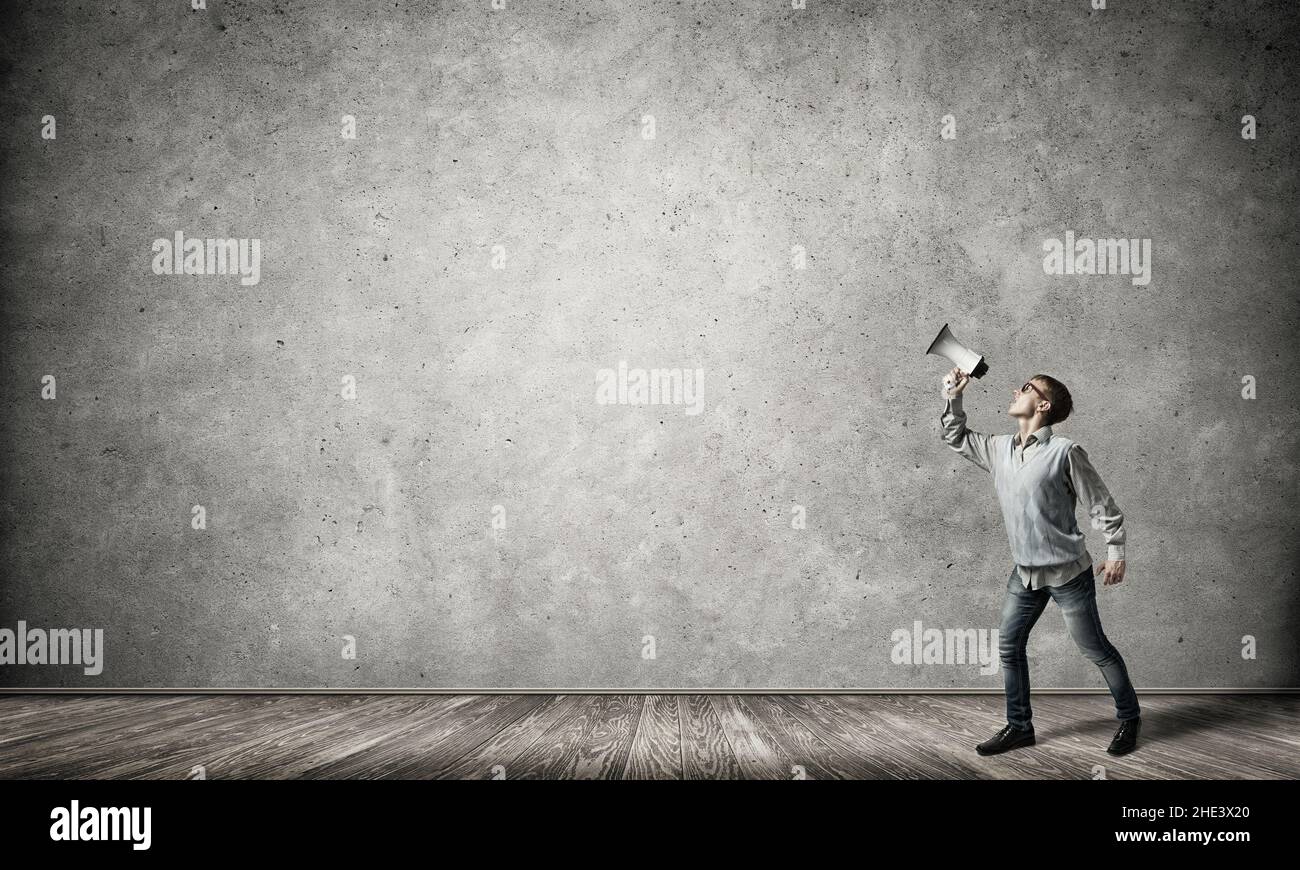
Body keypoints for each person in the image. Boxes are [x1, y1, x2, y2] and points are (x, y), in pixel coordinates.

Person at [940, 366, 1141, 756]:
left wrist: (1115, 550)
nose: (1016, 389)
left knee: (1095, 648)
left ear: (1043, 404)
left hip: (1068, 574)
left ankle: (1130, 718)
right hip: (1025, 574)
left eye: (1027, 387)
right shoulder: (999, 449)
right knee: (1009, 647)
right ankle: (1019, 727)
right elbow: (955, 437)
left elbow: (1101, 504)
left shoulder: (1065, 451)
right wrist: (953, 396)